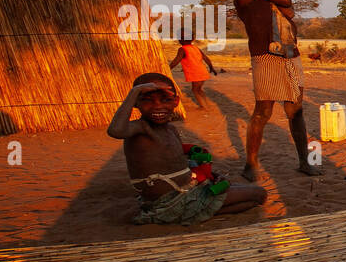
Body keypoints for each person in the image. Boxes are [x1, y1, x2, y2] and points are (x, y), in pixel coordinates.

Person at [107, 73, 266, 225]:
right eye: (147, 100)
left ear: (176, 102)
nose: (158, 106)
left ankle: (196, 211)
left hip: (188, 190)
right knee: (259, 194)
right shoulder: (140, 128)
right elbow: (115, 131)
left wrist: (207, 175)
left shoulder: (170, 129)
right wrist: (135, 92)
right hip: (172, 200)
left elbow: (176, 160)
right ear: (136, 103)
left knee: (246, 196)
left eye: (165, 99)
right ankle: (189, 212)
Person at [231, 0, 321, 181]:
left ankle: (304, 161)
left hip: (290, 53)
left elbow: (287, 4)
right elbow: (285, 0)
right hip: (266, 53)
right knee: (263, 111)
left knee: (297, 111)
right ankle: (251, 164)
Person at [168, 36, 220, 111]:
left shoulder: (182, 49)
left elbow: (176, 60)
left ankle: (204, 106)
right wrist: (211, 68)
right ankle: (206, 104)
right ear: (192, 39)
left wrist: (169, 68)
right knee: (199, 89)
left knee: (195, 90)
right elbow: (206, 58)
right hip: (203, 72)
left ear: (180, 40)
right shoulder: (195, 48)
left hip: (196, 73)